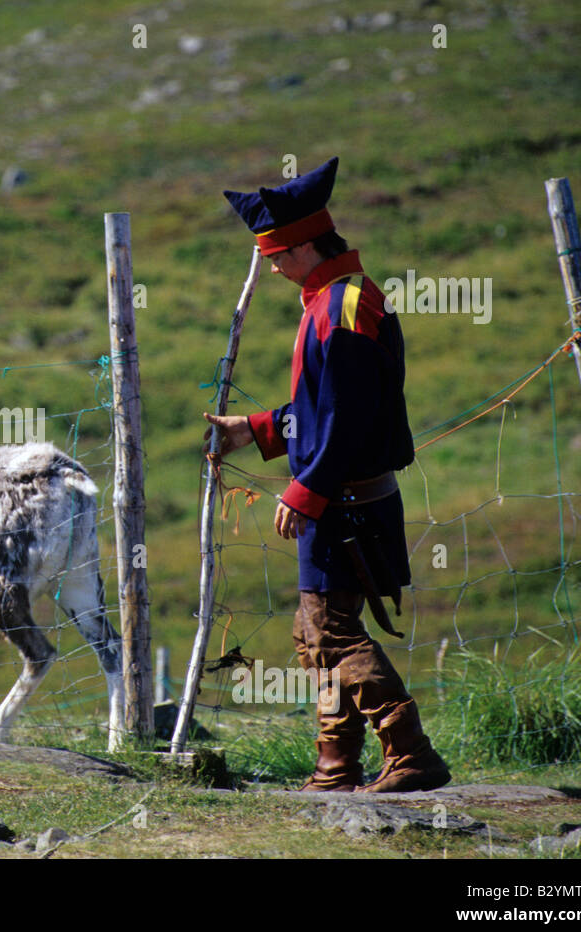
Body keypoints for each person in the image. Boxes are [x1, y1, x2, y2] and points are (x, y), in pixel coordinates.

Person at [205, 156, 450, 793]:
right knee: (315, 630)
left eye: (278, 253)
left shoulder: (343, 308)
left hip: (345, 501)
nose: (271, 265)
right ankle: (335, 765)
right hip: (338, 495)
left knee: (329, 631)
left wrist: (306, 488)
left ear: (309, 244)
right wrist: (254, 430)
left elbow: (347, 417)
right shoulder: (331, 299)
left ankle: (410, 752)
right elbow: (319, 411)